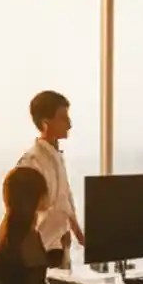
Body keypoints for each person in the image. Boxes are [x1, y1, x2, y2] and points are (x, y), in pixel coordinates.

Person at [17, 90, 84, 269]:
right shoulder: (32, 162)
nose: (69, 124)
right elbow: (25, 212)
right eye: (63, 118)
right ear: (46, 123)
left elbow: (66, 198)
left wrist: (79, 235)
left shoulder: (57, 157)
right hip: (43, 251)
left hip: (60, 247)